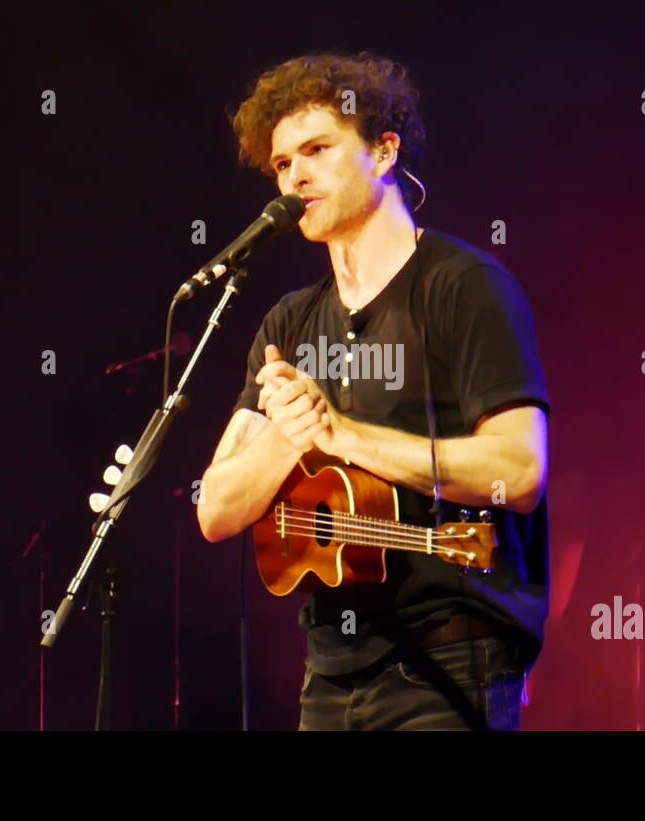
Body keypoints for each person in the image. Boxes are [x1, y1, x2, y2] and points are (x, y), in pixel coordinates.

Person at [197, 51, 551, 730]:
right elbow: (215, 509)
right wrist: (286, 434)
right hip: (329, 678)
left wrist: (344, 434)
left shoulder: (463, 286)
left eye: (318, 149)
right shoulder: (290, 322)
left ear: (383, 153)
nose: (295, 174)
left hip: (450, 673)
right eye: (280, 163)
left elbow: (521, 469)